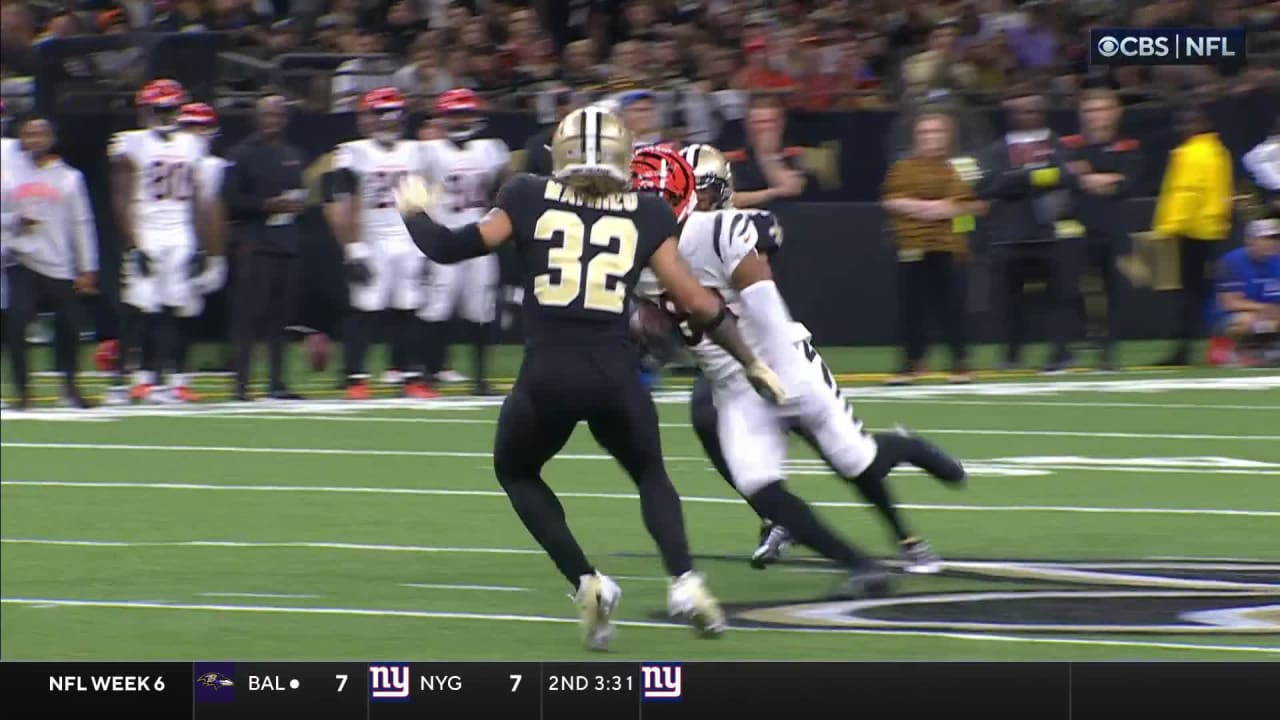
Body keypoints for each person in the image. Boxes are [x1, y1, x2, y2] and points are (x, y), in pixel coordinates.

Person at [394, 106, 786, 651]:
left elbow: (450, 247)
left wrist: (415, 213)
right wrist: (749, 358)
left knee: (516, 470)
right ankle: (685, 581)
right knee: (650, 473)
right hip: (615, 372)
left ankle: (587, 582)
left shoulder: (527, 194)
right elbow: (696, 303)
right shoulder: (648, 212)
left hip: (546, 374)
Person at [643, 145, 965, 579]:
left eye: (703, 190)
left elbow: (766, 303)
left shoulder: (724, 227)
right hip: (733, 383)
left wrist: (779, 377)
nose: (696, 199)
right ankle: (859, 566)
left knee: (855, 461)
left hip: (783, 361)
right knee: (757, 483)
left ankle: (907, 449)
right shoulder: (640, 250)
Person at [109, 78, 214, 403]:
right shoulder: (131, 143)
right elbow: (121, 198)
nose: (164, 115)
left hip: (180, 233)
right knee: (143, 309)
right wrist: (134, 244)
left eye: (170, 108)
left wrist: (200, 244)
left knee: (179, 309)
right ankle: (142, 378)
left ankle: (176, 379)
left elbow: (197, 198)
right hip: (148, 231)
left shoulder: (192, 144)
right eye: (159, 109)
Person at [323, 87, 427, 400]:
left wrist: (425, 241)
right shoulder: (352, 152)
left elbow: (420, 202)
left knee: (408, 309)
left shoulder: (415, 151)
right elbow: (337, 202)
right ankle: (355, 377)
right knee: (364, 311)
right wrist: (353, 249)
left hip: (407, 238)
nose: (387, 121)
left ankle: (412, 376)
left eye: (392, 114)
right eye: (380, 114)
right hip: (372, 239)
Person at [976, 87, 1080, 371]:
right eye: (1022, 110)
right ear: (1011, 114)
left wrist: (1021, 177)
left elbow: (1067, 176)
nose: (1028, 115)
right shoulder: (997, 150)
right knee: (1010, 303)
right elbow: (987, 186)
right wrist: (1033, 176)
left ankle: (1061, 354)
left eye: (1033, 109)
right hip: (1008, 237)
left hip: (1048, 234)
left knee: (1058, 297)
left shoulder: (1054, 143)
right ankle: (1011, 356)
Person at [416, 88, 510, 397]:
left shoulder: (492, 149)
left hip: (480, 236)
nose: (460, 120)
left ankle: (480, 379)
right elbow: (415, 195)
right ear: (442, 117)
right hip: (445, 235)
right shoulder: (428, 151)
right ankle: (428, 374)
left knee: (481, 310)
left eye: (465, 113)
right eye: (455, 114)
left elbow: (504, 187)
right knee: (437, 307)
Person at [2, 115, 97, 409]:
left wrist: (87, 267)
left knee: (70, 325)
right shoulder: (9, 175)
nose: (34, 140)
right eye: (28, 134)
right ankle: (23, 391)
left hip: (58, 262)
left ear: (52, 137)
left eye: (40, 133)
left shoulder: (69, 178)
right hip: (22, 259)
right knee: (17, 325)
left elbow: (81, 222)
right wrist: (15, 220)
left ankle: (69, 385)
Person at [223, 94, 308, 401]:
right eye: (268, 115)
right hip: (253, 243)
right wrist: (265, 205)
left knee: (279, 319)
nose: (274, 121)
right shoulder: (241, 154)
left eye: (279, 115)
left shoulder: (293, 153)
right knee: (248, 316)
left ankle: (276, 382)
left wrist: (298, 204)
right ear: (257, 118)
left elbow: (301, 193)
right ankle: (241, 384)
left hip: (285, 242)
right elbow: (230, 200)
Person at [881, 112, 976, 384]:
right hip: (911, 248)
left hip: (950, 247)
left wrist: (940, 209)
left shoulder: (960, 168)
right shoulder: (903, 168)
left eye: (936, 132)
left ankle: (960, 363)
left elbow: (968, 206)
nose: (930, 137)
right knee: (911, 309)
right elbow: (891, 201)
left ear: (947, 137)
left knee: (952, 307)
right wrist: (931, 208)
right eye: (924, 132)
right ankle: (911, 364)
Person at [1059, 88, 1143, 370]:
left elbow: (1129, 182)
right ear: (1082, 114)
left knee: (1114, 292)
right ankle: (1064, 352)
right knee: (1068, 290)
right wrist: (1104, 179)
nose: (1097, 116)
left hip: (1113, 229)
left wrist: (1089, 177)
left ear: (1116, 112)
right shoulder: (1068, 144)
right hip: (1075, 228)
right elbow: (1066, 179)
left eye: (1103, 108)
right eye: (1091, 110)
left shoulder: (1128, 146)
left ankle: (1108, 356)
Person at [1152, 105, 1233, 366]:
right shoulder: (1219, 152)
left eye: (1185, 123)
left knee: (1186, 295)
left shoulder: (1188, 154)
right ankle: (1214, 348)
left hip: (1190, 232)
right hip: (1212, 231)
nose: (1181, 129)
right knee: (1206, 293)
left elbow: (1186, 194)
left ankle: (1182, 349)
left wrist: (1168, 228)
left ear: (1197, 123)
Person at [171, 102, 229, 402]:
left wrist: (214, 255)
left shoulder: (215, 166)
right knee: (152, 311)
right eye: (189, 126)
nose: (196, 133)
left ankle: (179, 378)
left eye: (201, 126)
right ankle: (141, 376)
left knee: (187, 313)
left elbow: (214, 212)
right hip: (163, 240)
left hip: (194, 247)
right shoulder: (163, 158)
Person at [1211, 218, 1280, 365]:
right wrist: (1264, 309)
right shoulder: (1232, 262)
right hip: (1233, 317)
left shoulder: (1277, 261)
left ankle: (1267, 351)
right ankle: (1232, 351)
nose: (1272, 243)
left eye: (1274, 238)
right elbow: (1229, 303)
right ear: (1252, 241)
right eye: (1266, 238)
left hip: (1271, 314)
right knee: (1246, 321)